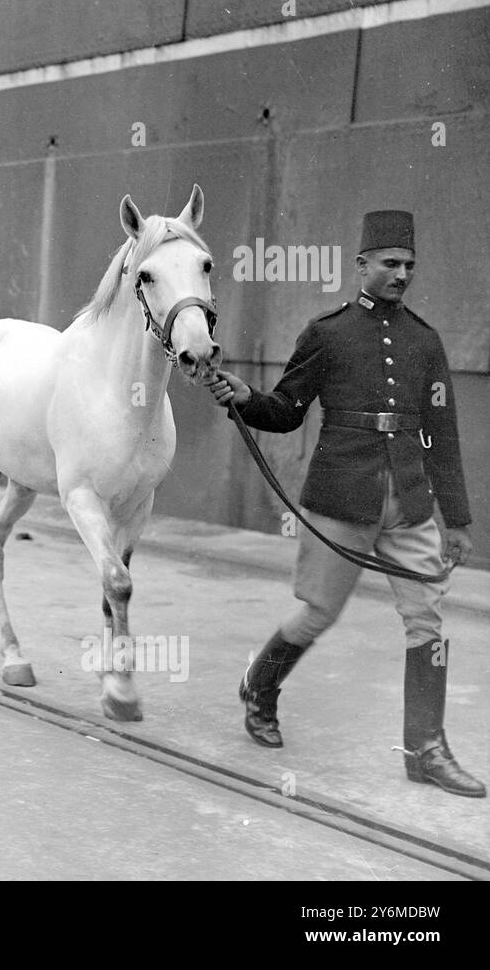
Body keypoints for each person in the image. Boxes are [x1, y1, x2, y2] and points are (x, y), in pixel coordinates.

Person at [206, 209, 482, 798]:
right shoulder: (327, 334)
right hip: (340, 496)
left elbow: (442, 435)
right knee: (317, 613)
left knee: (426, 618)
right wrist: (244, 396)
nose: (401, 274)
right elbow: (284, 411)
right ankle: (261, 685)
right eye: (390, 263)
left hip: (408, 502)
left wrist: (455, 519)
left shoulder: (425, 342)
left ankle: (425, 749)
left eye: (408, 265)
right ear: (362, 266)